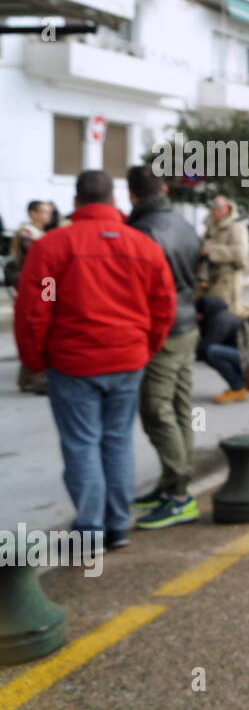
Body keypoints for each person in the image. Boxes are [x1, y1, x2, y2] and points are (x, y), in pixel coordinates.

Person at [14, 171, 175, 550]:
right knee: (118, 441)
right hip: (127, 358)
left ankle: (90, 529)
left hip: (73, 364)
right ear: (115, 200)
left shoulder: (53, 246)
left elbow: (37, 307)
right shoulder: (143, 246)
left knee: (82, 444)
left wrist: (35, 358)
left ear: (74, 202)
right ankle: (118, 524)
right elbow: (163, 306)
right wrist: (145, 346)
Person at [126, 166, 204, 529]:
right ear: (163, 189)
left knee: (157, 410)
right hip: (187, 324)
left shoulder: (141, 230)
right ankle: (173, 484)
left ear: (132, 195)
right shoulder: (184, 224)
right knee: (179, 407)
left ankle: (179, 496)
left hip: (163, 330)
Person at [10, 200, 55, 394]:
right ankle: (37, 377)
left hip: (42, 283)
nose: (47, 215)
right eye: (43, 212)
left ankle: (27, 377)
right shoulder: (27, 233)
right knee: (35, 325)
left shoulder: (40, 234)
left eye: (49, 212)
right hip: (32, 285)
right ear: (32, 213)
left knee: (34, 326)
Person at [202, 195, 249, 315]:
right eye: (212, 208)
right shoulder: (212, 226)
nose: (214, 211)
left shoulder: (236, 226)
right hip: (211, 277)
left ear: (227, 208)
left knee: (227, 313)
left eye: (218, 208)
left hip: (228, 279)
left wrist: (212, 251)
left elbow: (240, 251)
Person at [195, 295, 248, 404]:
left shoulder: (220, 321)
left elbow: (205, 348)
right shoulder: (221, 315)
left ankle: (238, 387)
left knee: (212, 352)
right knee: (211, 352)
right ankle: (239, 384)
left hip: (246, 358)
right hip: (244, 355)